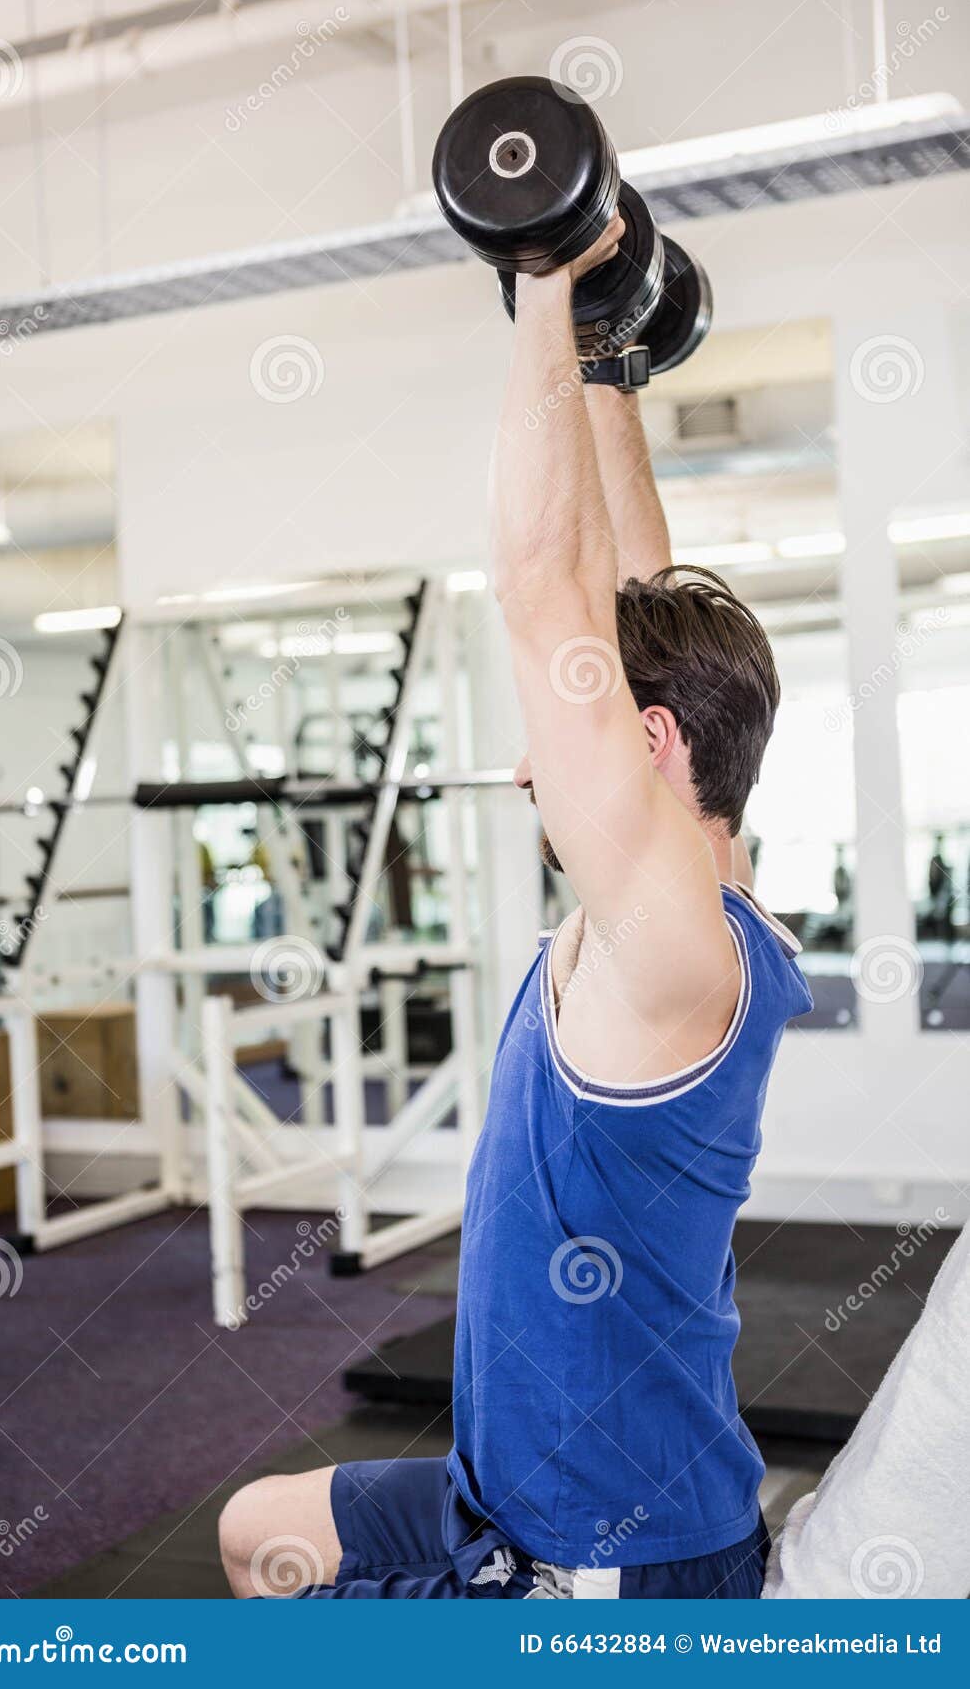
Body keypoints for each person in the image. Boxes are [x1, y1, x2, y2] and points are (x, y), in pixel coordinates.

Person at [218, 213, 812, 1600]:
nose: (529, 762)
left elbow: (550, 595)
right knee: (259, 1531)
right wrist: (606, 360)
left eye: (574, 732)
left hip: (612, 1549)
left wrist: (544, 281)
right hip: (505, 1479)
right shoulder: (696, 894)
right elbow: (623, 595)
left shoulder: (674, 943)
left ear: (650, 748)